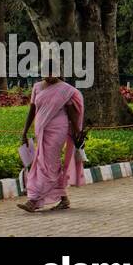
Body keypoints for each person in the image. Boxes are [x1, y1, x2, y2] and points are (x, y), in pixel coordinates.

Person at [18, 68, 85, 213]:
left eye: (51, 73)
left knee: (46, 164)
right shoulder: (37, 87)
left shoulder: (65, 89)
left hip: (58, 129)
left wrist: (78, 131)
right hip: (41, 130)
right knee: (46, 163)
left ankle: (33, 200)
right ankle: (63, 198)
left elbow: (71, 113)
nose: (48, 77)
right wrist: (24, 131)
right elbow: (32, 110)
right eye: (45, 74)